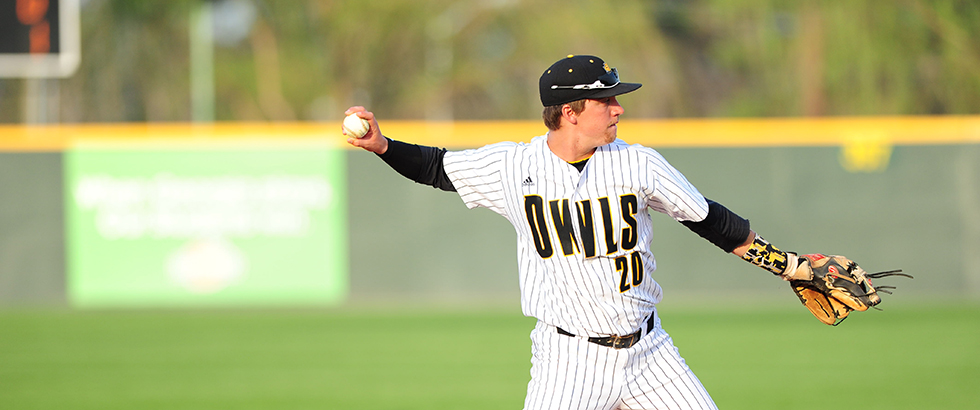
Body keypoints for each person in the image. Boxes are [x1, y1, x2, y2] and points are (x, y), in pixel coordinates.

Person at [344, 54, 804, 410]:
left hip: (649, 351)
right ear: (570, 112)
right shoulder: (513, 165)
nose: (619, 109)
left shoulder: (637, 161)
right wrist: (382, 145)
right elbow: (435, 166)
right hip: (568, 358)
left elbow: (710, 221)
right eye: (607, 100)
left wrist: (789, 266)